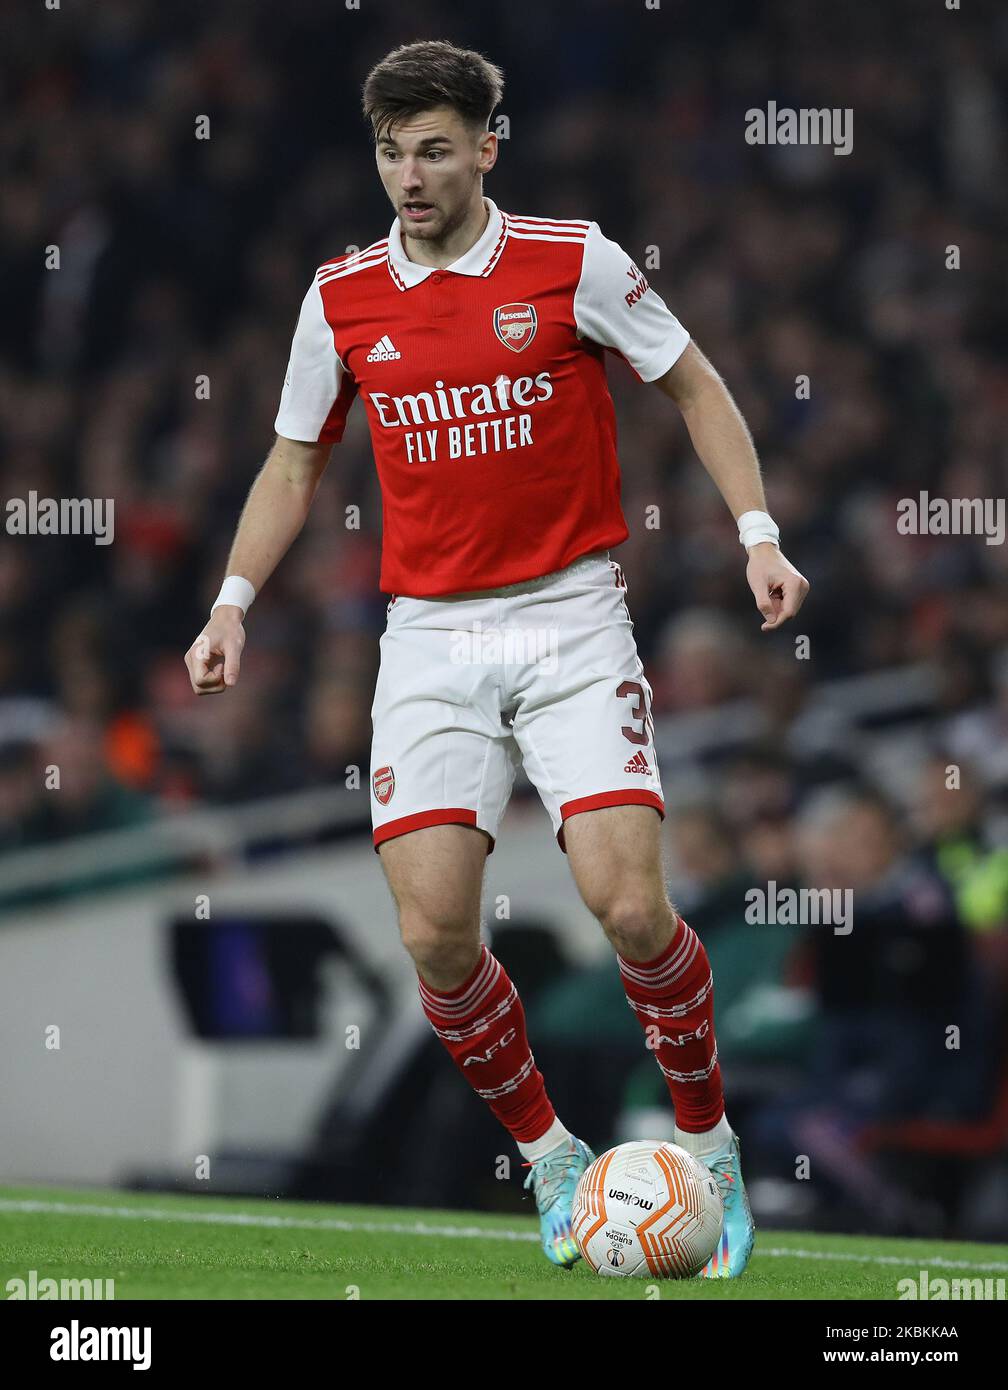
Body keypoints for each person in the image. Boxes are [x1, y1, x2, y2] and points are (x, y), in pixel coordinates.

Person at [183, 39, 809, 1276]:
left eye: (432, 148)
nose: (409, 175)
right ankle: (555, 1159)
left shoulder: (573, 262)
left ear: (486, 147)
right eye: (389, 151)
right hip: (427, 636)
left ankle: (709, 1137)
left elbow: (694, 385)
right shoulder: (341, 296)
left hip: (573, 616)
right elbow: (294, 460)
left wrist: (759, 535)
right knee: (433, 941)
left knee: (631, 908)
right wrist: (231, 602)